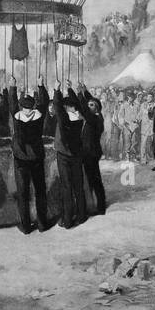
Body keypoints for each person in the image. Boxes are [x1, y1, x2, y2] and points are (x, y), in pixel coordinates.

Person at [6, 89, 49, 234]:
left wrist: (12, 88)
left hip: (21, 158)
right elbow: (43, 103)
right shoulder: (39, 116)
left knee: (23, 193)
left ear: (21, 106)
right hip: (36, 157)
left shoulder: (16, 116)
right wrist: (41, 86)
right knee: (40, 191)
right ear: (33, 106)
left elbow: (11, 105)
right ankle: (42, 224)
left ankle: (25, 226)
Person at [52, 84, 87, 229]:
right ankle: (82, 215)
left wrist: (57, 90)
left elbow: (58, 106)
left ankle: (67, 220)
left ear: (67, 107)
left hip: (65, 155)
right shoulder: (80, 117)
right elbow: (78, 104)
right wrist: (71, 90)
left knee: (67, 187)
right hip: (77, 154)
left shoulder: (64, 117)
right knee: (78, 186)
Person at [74, 84, 107, 217]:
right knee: (92, 179)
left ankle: (100, 207)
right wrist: (85, 91)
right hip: (89, 152)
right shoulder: (96, 116)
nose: (89, 106)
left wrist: (80, 94)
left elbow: (85, 109)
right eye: (90, 104)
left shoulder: (94, 118)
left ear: (97, 108)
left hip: (91, 153)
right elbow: (89, 103)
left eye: (92, 105)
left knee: (94, 180)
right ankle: (96, 204)